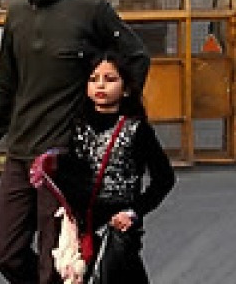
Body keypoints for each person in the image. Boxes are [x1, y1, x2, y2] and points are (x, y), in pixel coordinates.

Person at [0, 0, 151, 284]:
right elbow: (5, 85)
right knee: (6, 253)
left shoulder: (90, 10)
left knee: (57, 260)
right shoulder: (16, 16)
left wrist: (112, 114)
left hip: (65, 160)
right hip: (20, 154)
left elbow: (136, 57)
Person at [57, 54, 175, 283]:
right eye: (93, 79)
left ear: (126, 88)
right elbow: (65, 172)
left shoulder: (137, 129)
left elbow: (164, 178)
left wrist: (134, 211)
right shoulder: (74, 127)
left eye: (110, 79)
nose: (100, 85)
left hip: (119, 225)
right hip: (81, 226)